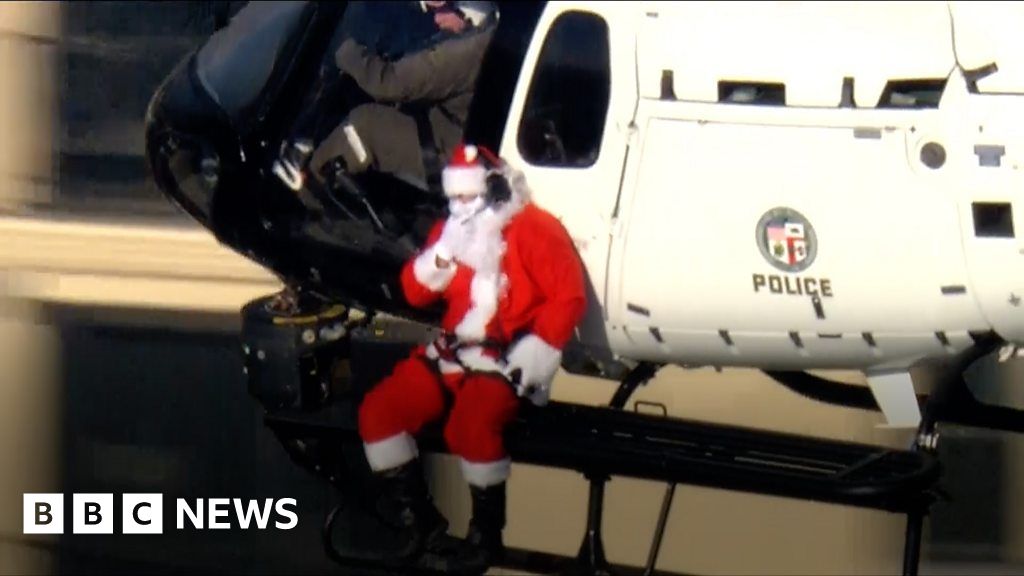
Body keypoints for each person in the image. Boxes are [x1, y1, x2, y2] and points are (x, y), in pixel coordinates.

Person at [357, 143, 587, 574]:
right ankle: (419, 519)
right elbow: (414, 291)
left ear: (496, 191)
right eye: (455, 198)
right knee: (379, 413)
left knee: (472, 426)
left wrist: (534, 353)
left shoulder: (535, 231)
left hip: (506, 361)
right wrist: (441, 254)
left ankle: (486, 533)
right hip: (452, 352)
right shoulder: (451, 233)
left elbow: (568, 295)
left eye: (468, 197)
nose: (460, 207)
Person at [273, 1, 498, 194]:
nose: (437, 18)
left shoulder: (469, 52)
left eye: (449, 8)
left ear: (469, 18)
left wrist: (343, 47)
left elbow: (388, 83)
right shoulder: (485, 37)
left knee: (366, 124)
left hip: (446, 144)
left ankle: (304, 185)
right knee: (355, 91)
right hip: (449, 121)